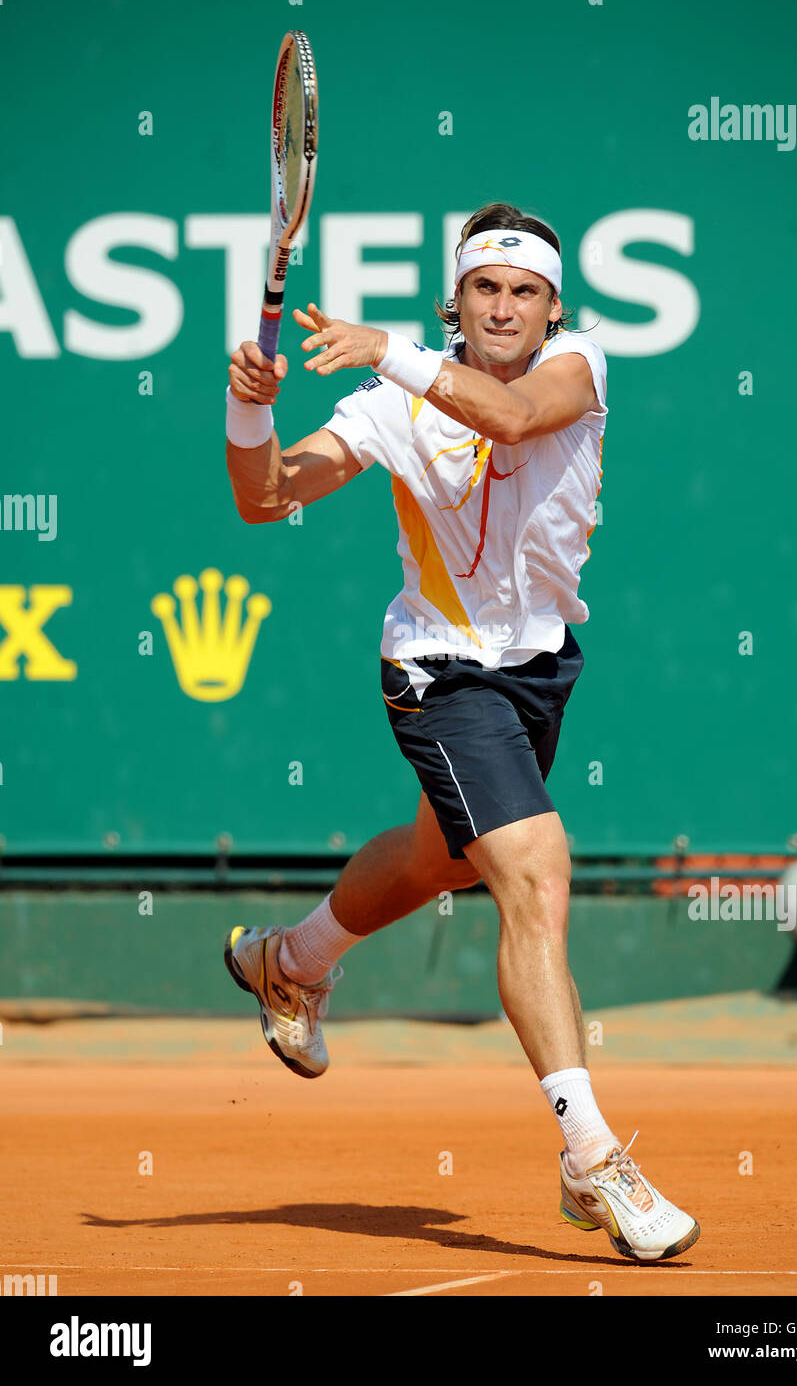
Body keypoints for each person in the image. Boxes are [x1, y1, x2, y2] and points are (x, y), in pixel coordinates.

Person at [222, 201, 699, 1262]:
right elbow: (266, 498)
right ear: (458, 297)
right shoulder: (390, 403)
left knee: (446, 859)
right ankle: (590, 1158)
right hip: (438, 674)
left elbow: (514, 420)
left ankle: (289, 962)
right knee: (532, 869)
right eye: (485, 287)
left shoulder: (577, 367)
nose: (503, 307)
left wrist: (388, 350)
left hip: (539, 671)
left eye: (523, 290)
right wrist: (247, 410)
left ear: (551, 308)